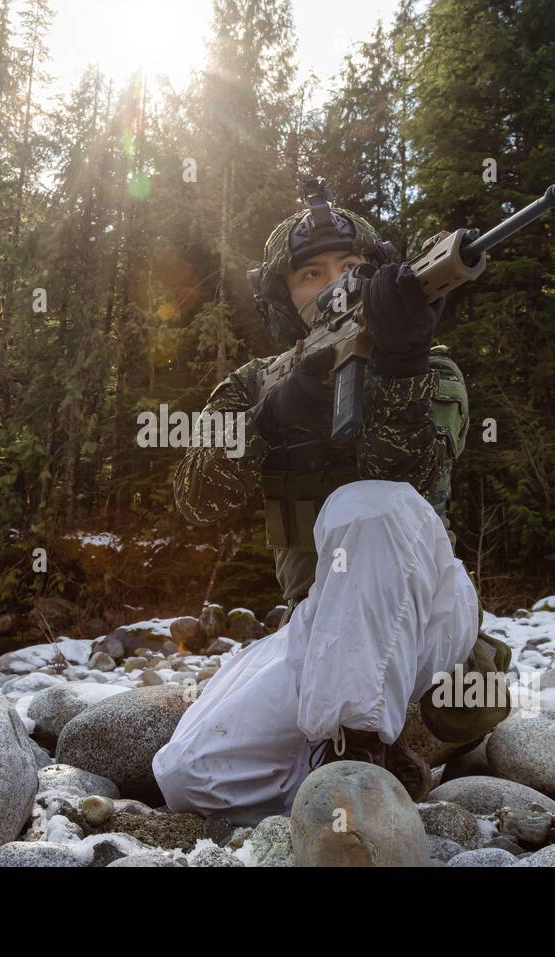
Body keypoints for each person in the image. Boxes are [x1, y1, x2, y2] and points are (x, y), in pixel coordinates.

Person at [153, 179, 510, 820]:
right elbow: (193, 497)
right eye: (309, 273)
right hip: (315, 625)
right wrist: (269, 421)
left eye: (349, 267)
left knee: (367, 506)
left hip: (423, 611)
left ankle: (354, 764)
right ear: (283, 299)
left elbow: (413, 475)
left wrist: (400, 365)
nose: (332, 282)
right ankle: (347, 779)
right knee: (188, 775)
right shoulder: (253, 384)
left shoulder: (434, 367)